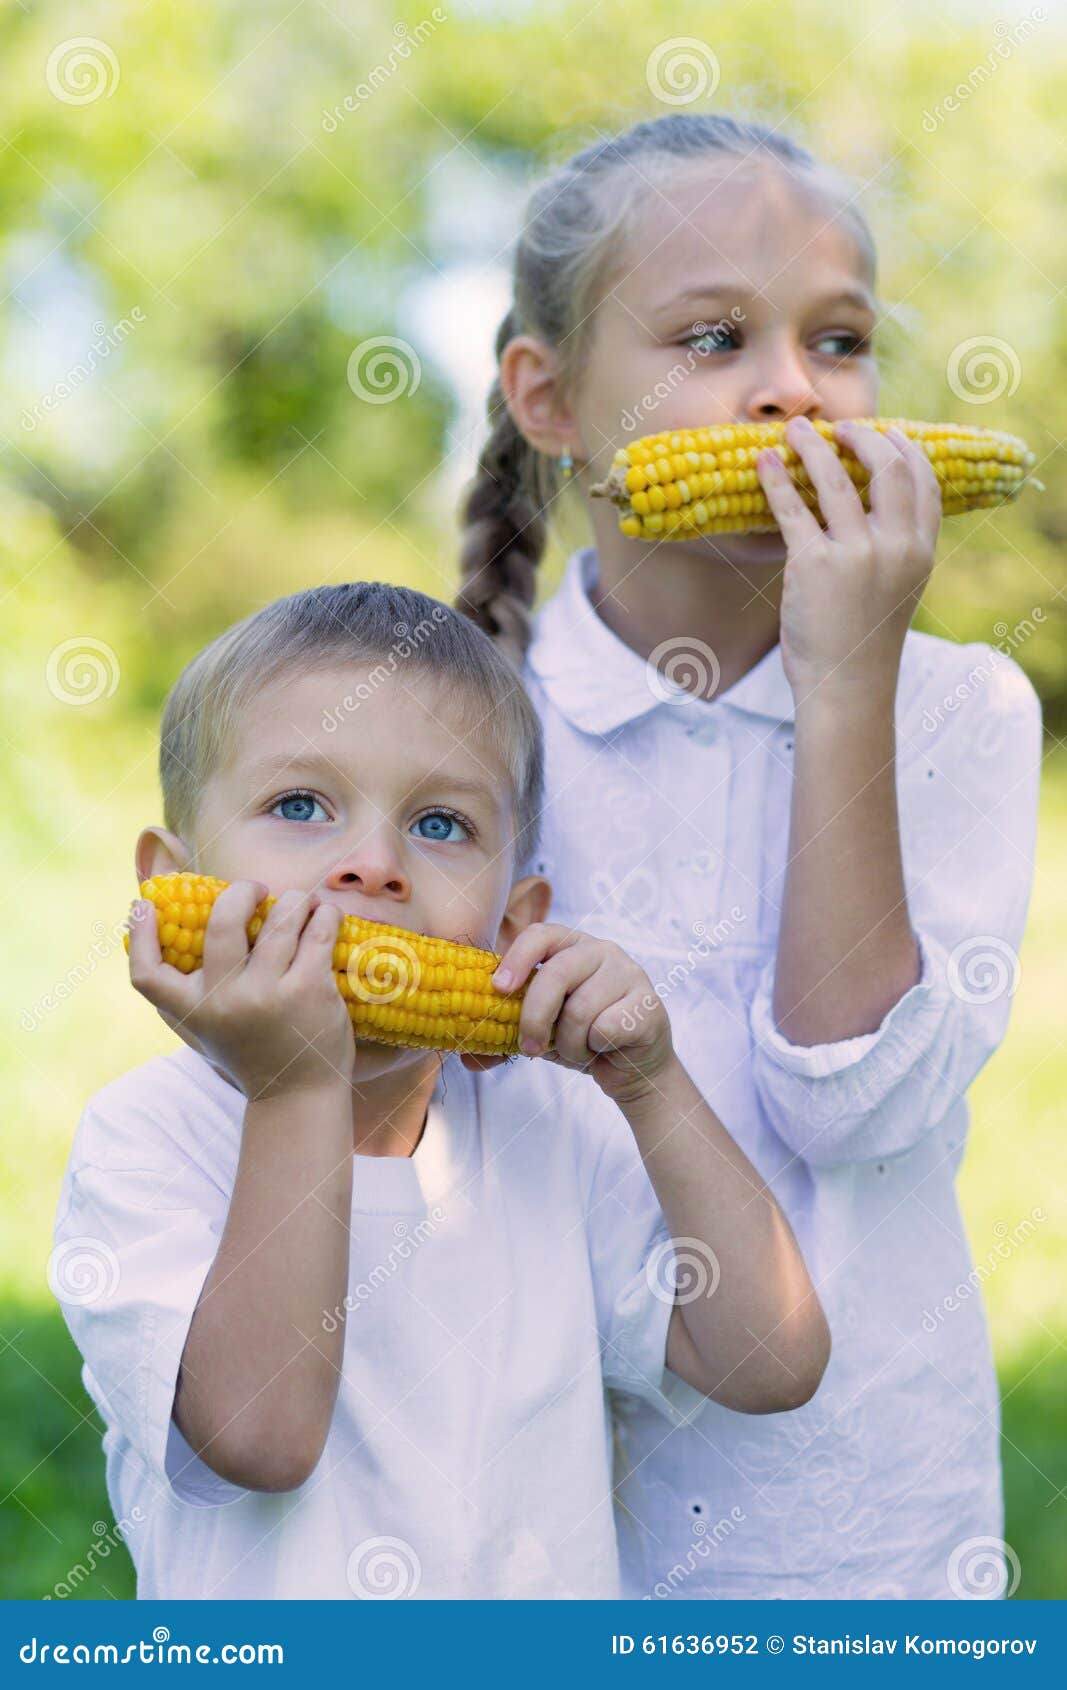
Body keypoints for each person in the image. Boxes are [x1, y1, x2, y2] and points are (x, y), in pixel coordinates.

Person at [455, 111, 1042, 1600]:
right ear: (549, 398)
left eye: (836, 342)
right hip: (523, 1504)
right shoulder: (459, 728)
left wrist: (842, 683)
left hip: (848, 1524)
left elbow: (852, 1103)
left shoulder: (952, 706)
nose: (791, 391)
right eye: (713, 337)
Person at [52, 580, 829, 1600]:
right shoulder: (148, 1138)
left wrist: (651, 1084)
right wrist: (295, 1088)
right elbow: (259, 1436)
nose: (372, 865)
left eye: (440, 823)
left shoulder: (552, 1128)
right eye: (299, 805)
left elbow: (769, 1364)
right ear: (169, 887)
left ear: (513, 926)